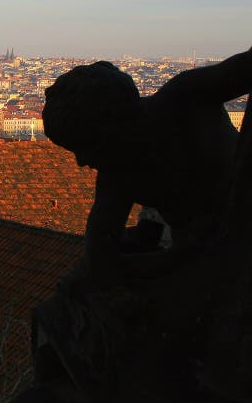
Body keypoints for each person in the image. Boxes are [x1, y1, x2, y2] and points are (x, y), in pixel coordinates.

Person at [42, 49, 252, 285]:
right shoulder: (117, 170)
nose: (81, 161)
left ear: (113, 125)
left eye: (85, 146)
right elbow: (99, 256)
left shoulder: (185, 97)